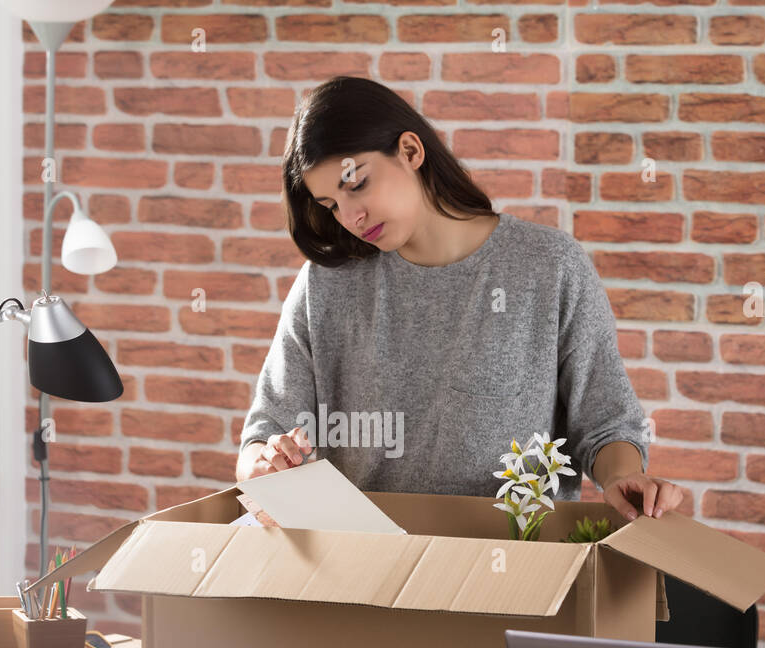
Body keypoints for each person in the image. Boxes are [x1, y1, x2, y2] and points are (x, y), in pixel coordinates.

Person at [236, 76, 684, 523]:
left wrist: (623, 477)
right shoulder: (326, 284)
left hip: (512, 567)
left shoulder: (548, 267)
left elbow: (606, 422)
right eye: (331, 204)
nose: (351, 217)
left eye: (357, 184)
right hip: (364, 567)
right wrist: (265, 462)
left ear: (410, 151)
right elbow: (264, 434)